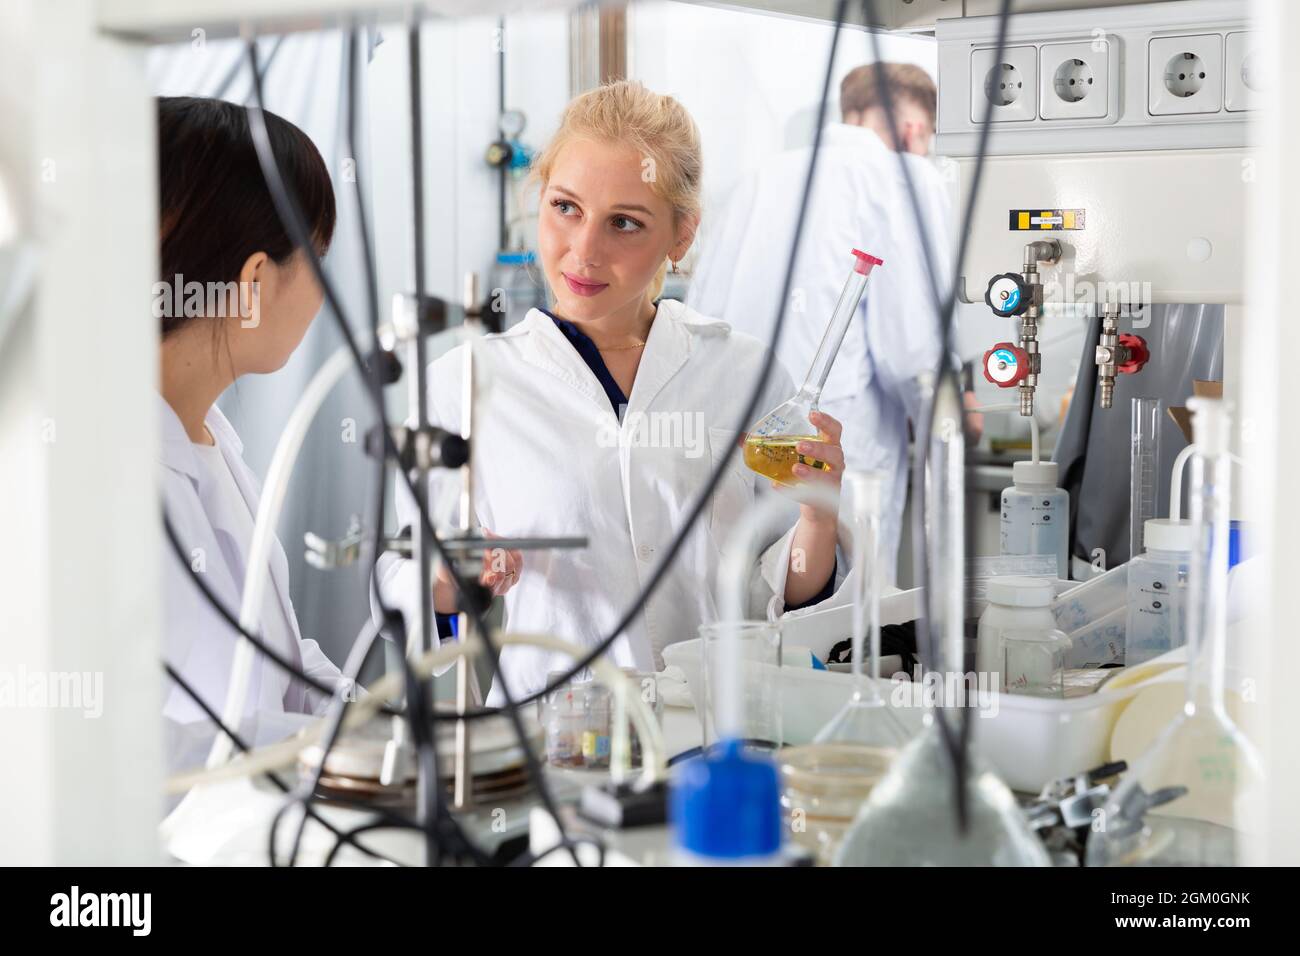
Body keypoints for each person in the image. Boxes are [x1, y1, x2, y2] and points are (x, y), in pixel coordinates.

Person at [378, 81, 849, 705]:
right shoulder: (463, 383)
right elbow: (401, 575)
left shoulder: (744, 372)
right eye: (565, 207)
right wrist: (448, 579)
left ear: (680, 236)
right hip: (557, 749)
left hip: (722, 732)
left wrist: (818, 514)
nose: (584, 250)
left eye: (625, 223)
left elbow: (789, 595)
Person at [688, 63, 953, 585]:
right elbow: (912, 357)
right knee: (841, 628)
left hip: (744, 447)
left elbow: (699, 313)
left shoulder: (759, 178)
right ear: (916, 130)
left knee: (753, 617)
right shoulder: (906, 176)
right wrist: (949, 419)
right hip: (837, 449)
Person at [156, 96, 344, 773]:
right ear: (255, 281)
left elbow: (281, 663)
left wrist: (383, 723)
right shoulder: (95, 474)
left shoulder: (208, 438)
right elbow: (116, 751)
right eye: (318, 261)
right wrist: (321, 750)